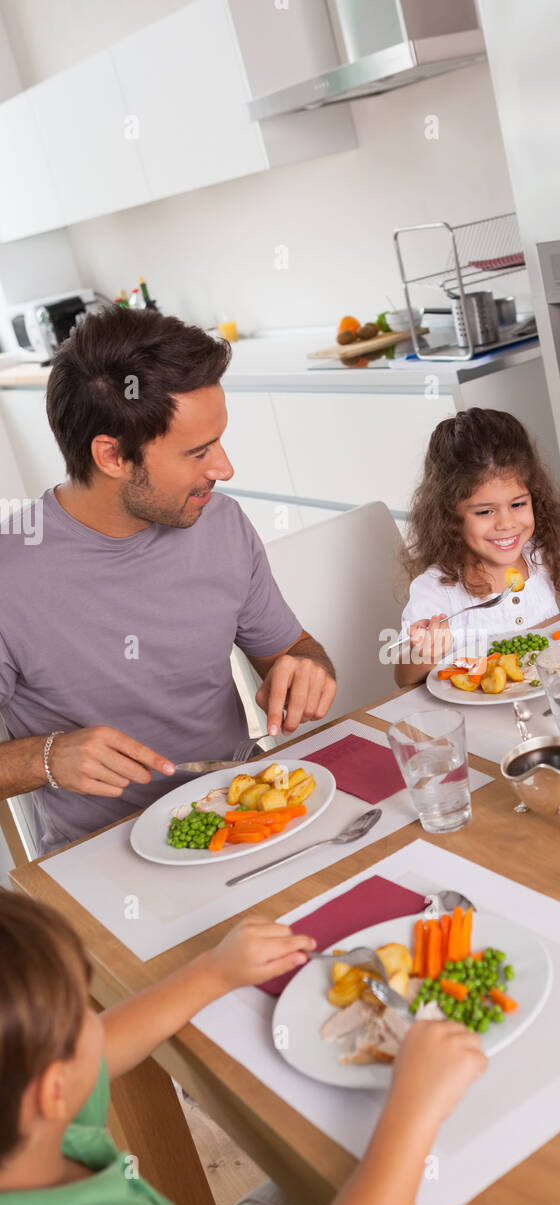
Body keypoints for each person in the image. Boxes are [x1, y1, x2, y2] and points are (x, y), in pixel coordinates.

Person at [0, 888, 486, 1205]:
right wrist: (413, 1111)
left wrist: (213, 971)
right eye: (80, 1012)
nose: (95, 1023)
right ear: (52, 1088)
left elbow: (104, 1047)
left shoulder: (27, 1124)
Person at [0, 306, 337, 853]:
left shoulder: (221, 523)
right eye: (198, 452)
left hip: (242, 812)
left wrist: (304, 669)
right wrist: (46, 759)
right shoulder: (9, 578)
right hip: (99, 851)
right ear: (111, 455)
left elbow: (291, 649)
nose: (224, 468)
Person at [394, 407, 560, 687]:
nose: (506, 523)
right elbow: (403, 677)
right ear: (450, 516)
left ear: (534, 498)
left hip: (558, 696)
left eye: (517, 504)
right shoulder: (437, 589)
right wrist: (424, 652)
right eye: (485, 512)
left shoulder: (539, 554)